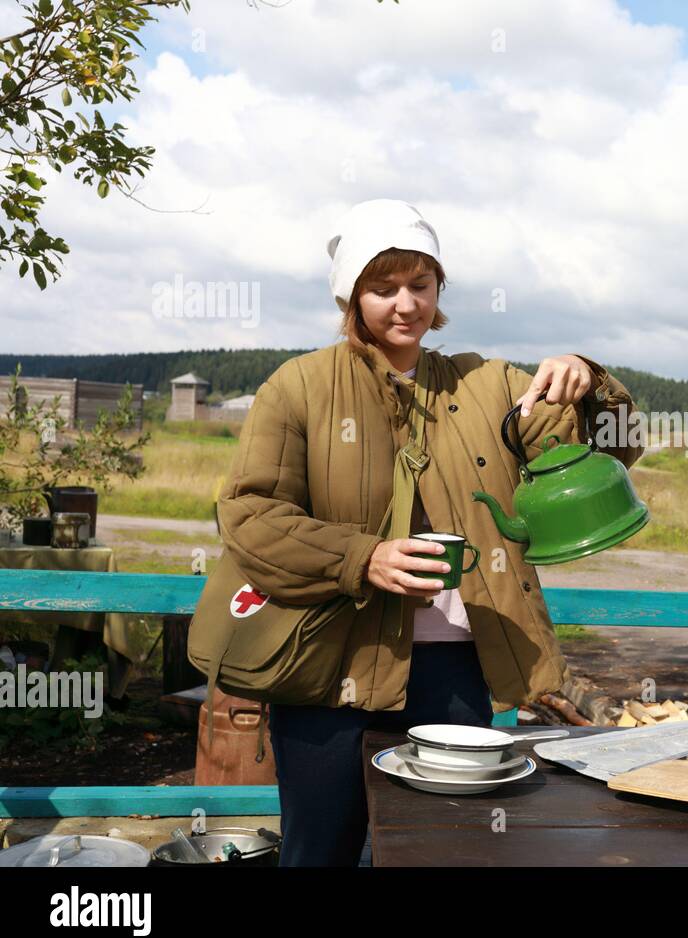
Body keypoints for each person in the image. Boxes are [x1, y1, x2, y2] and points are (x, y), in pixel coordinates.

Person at [216, 199, 643, 865]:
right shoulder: (298, 389)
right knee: (318, 854)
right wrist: (363, 558)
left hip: (455, 674)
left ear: (439, 288)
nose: (405, 304)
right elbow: (251, 518)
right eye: (382, 288)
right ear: (352, 295)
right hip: (330, 669)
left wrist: (590, 386)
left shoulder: (491, 385)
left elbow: (612, 454)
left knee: (446, 851)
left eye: (420, 283)